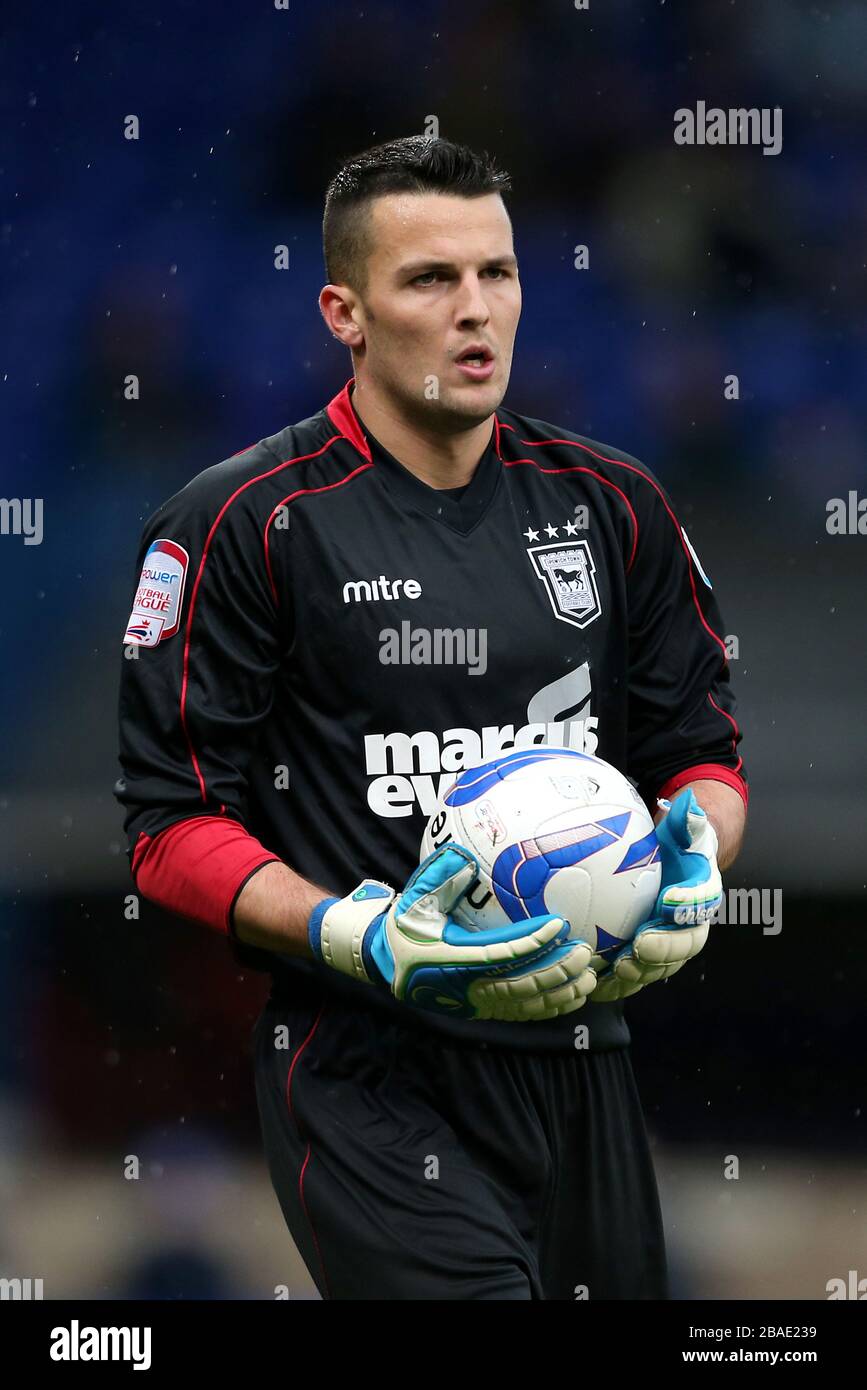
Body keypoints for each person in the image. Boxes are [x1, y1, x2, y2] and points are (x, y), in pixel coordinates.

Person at [115, 135, 747, 1300]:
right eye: (429, 280)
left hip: (583, 1059)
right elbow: (167, 826)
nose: (477, 311)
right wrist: (361, 937)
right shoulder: (241, 523)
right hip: (368, 1072)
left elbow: (701, 755)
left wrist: (696, 858)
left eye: (497, 274)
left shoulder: (615, 505)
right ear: (344, 312)